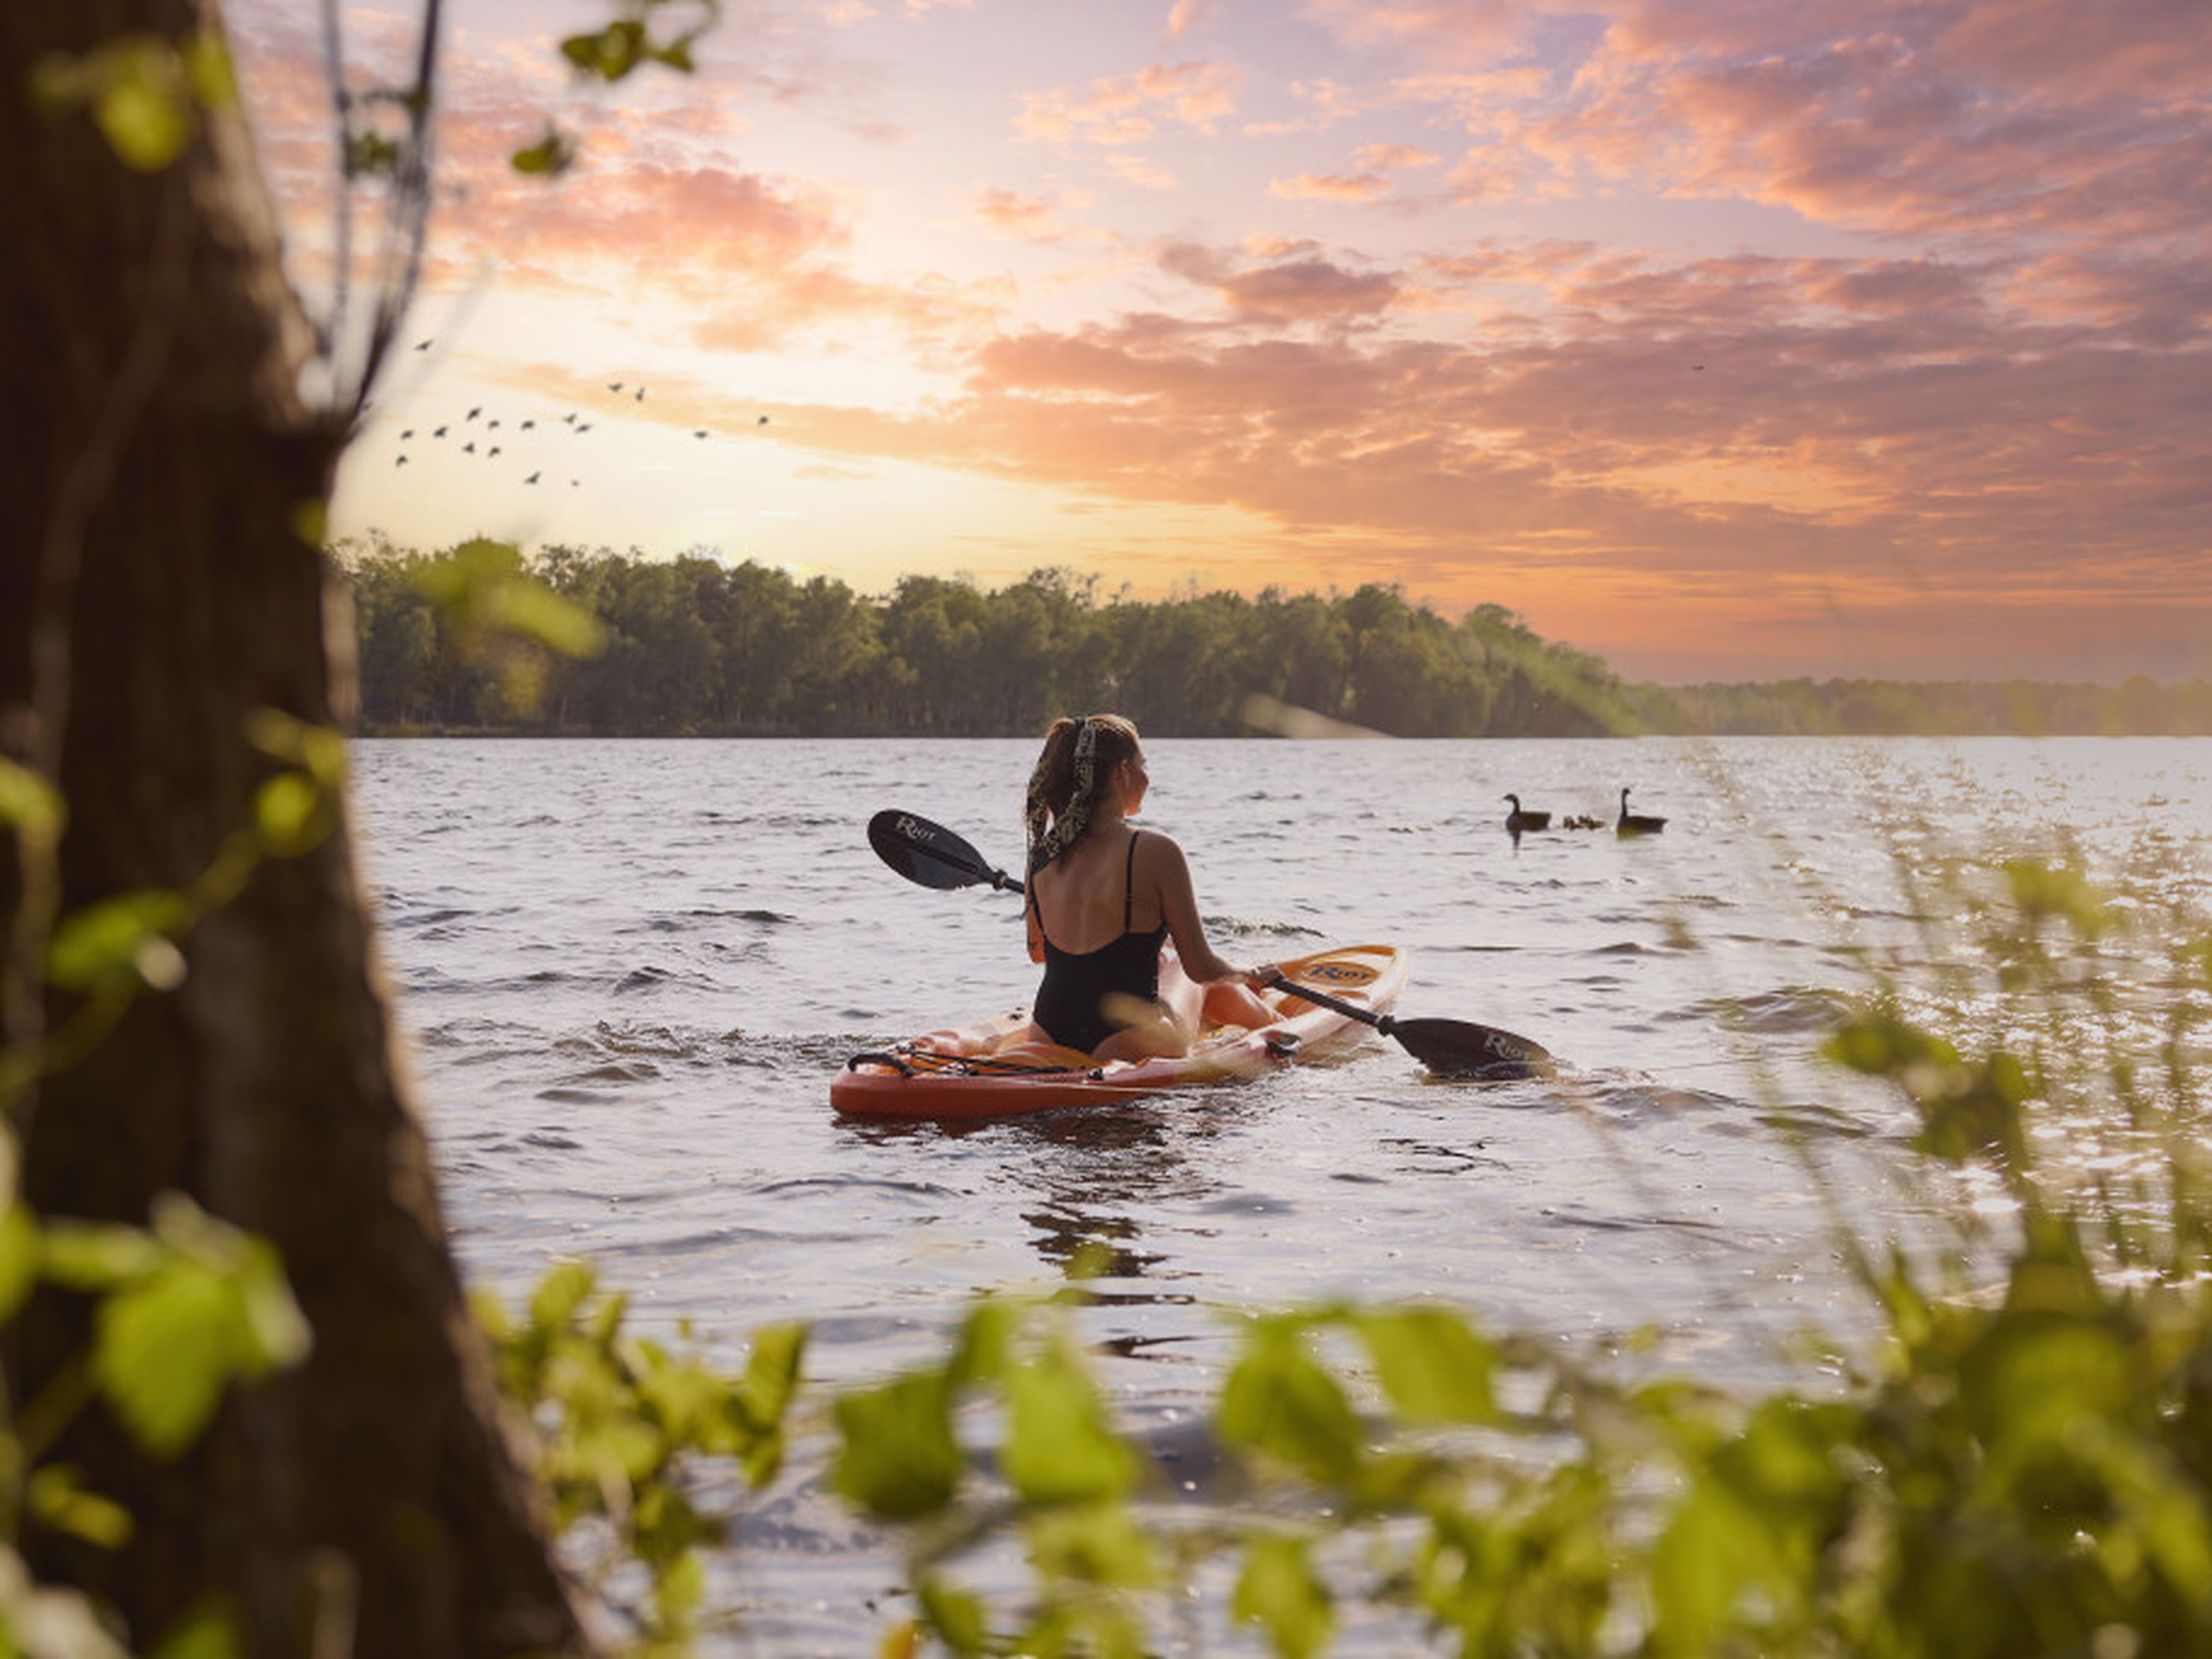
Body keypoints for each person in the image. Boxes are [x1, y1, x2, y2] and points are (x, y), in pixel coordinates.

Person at [1021, 713, 1278, 1059]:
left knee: (1162, 959)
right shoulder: (1155, 851)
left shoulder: (1043, 854)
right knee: (1184, 970)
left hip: (1049, 1032)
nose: (1148, 776)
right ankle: (1278, 1025)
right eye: (1144, 764)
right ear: (1122, 773)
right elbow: (1202, 968)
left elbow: (1038, 953)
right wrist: (1250, 973)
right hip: (1126, 1038)